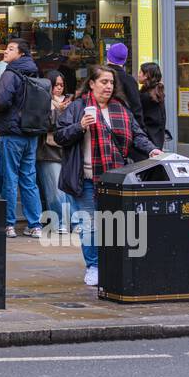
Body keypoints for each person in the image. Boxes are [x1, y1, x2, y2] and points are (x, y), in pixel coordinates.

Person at [56, 65, 163, 287]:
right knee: (90, 225)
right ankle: (93, 266)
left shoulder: (120, 108)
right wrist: (80, 126)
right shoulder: (78, 107)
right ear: (92, 84)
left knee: (113, 225)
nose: (108, 86)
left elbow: (137, 135)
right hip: (84, 178)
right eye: (104, 82)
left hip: (114, 179)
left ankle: (111, 264)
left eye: (111, 83)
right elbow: (60, 136)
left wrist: (151, 149)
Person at [0, 38, 44, 239]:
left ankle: (8, 224)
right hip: (30, 133)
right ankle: (35, 224)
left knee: (9, 178)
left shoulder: (10, 73)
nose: (6, 51)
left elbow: (2, 100)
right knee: (29, 179)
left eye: (11, 49)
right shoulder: (34, 71)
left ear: (21, 53)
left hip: (11, 134)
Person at [37, 71, 72, 235]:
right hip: (48, 151)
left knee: (64, 190)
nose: (59, 89)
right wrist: (58, 110)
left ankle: (65, 222)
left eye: (61, 85)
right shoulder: (43, 102)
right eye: (56, 85)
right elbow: (46, 124)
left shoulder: (68, 103)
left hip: (65, 150)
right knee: (53, 190)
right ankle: (58, 222)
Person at [105, 42, 144, 126]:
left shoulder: (99, 77)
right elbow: (136, 109)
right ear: (124, 60)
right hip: (124, 126)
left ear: (108, 57)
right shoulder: (129, 80)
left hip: (102, 125)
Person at [138, 62, 168, 152]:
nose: (138, 75)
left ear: (146, 75)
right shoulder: (157, 93)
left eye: (140, 72)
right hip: (157, 141)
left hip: (148, 143)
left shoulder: (146, 96)